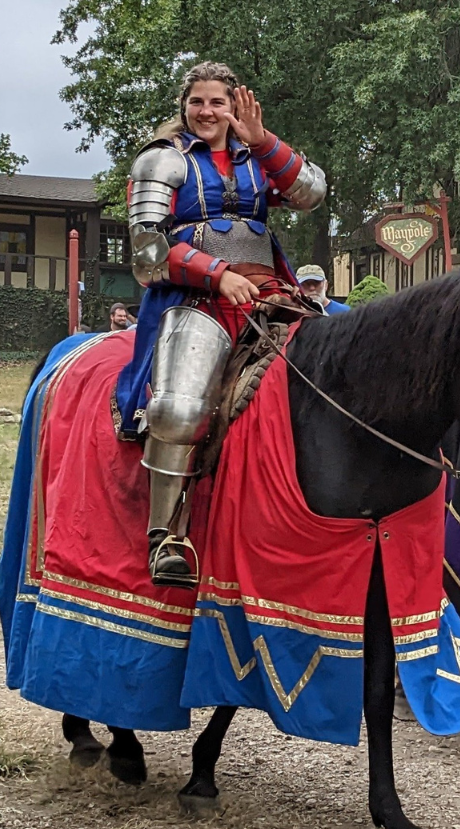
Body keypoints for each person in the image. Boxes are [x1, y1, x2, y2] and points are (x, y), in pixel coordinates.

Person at [116, 60, 326, 586]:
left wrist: (264, 139)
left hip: (272, 293)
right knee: (180, 408)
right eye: (197, 102)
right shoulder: (163, 161)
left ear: (234, 108)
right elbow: (146, 252)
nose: (207, 111)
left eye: (218, 102)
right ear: (183, 107)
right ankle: (165, 537)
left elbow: (312, 194)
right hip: (196, 296)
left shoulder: (256, 158)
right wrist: (218, 274)